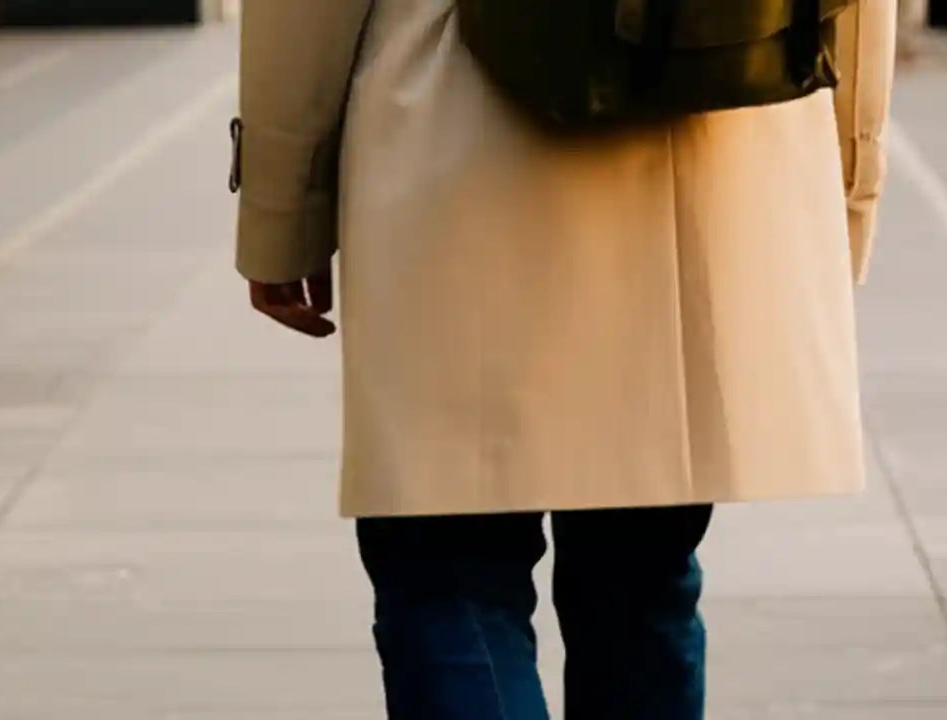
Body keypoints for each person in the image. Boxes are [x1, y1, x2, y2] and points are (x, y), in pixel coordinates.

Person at [231, 1, 897, 718]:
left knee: (447, 570)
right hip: (714, 113)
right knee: (641, 578)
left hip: (452, 134)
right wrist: (848, 188)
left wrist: (282, 201)